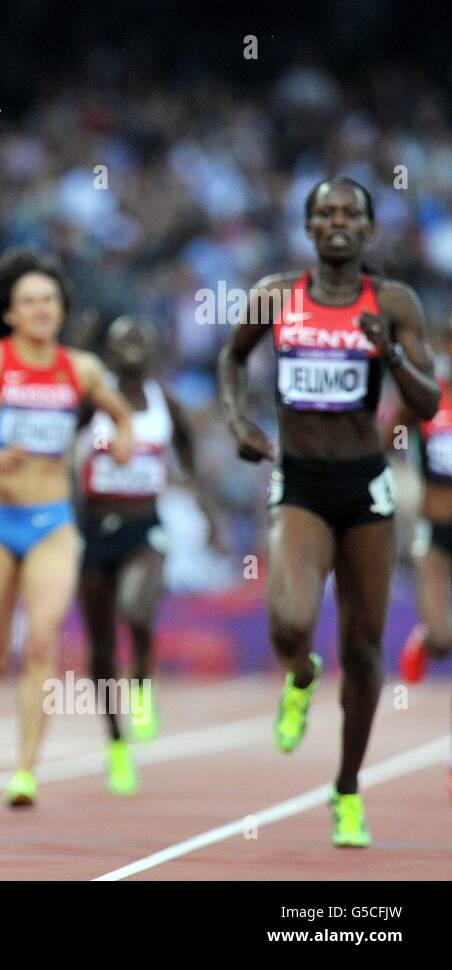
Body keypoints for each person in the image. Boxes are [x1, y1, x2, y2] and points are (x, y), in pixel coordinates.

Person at [218, 176, 439, 846]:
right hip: (302, 480)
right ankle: (301, 675)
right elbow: (231, 358)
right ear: (308, 227)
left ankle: (346, 788)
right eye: (325, 212)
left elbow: (428, 404)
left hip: (366, 484)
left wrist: (390, 353)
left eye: (351, 213)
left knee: (365, 645)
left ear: (369, 229)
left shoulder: (393, 301)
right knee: (289, 622)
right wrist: (236, 420)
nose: (338, 221)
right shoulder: (276, 295)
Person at [0, 249, 134, 808]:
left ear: (61, 309)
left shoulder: (83, 369)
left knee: (44, 641)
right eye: (28, 301)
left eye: (48, 300)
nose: (40, 309)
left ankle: (25, 771)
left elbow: (120, 415)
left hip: (53, 520)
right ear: (10, 313)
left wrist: (120, 438)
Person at [73, 315, 209, 794]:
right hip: (94, 530)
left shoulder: (163, 401)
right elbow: (63, 435)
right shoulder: (94, 398)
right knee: (101, 648)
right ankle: (116, 745)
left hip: (145, 526)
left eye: (140, 336)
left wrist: (203, 504)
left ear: (153, 349)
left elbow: (192, 452)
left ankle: (145, 682)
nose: (130, 344)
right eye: (121, 338)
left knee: (137, 605)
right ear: (107, 351)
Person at [392, 319, 452, 799]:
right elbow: (384, 438)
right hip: (434, 530)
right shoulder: (424, 398)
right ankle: (427, 639)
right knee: (443, 638)